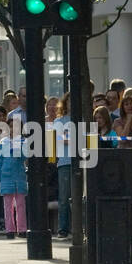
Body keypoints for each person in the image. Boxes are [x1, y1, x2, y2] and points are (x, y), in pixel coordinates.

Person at [0, 119, 28, 239]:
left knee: (20, 205)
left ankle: (22, 229)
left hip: (19, 176)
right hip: (6, 177)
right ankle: (9, 229)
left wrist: (20, 150)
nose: (14, 129)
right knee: (7, 205)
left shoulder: (24, 141)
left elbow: (26, 157)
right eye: (11, 126)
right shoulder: (4, 142)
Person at [52, 93, 74, 238]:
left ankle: (80, 227)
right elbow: (59, 140)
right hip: (65, 162)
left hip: (83, 161)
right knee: (64, 197)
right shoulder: (59, 121)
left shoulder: (85, 120)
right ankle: (63, 228)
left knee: (81, 197)